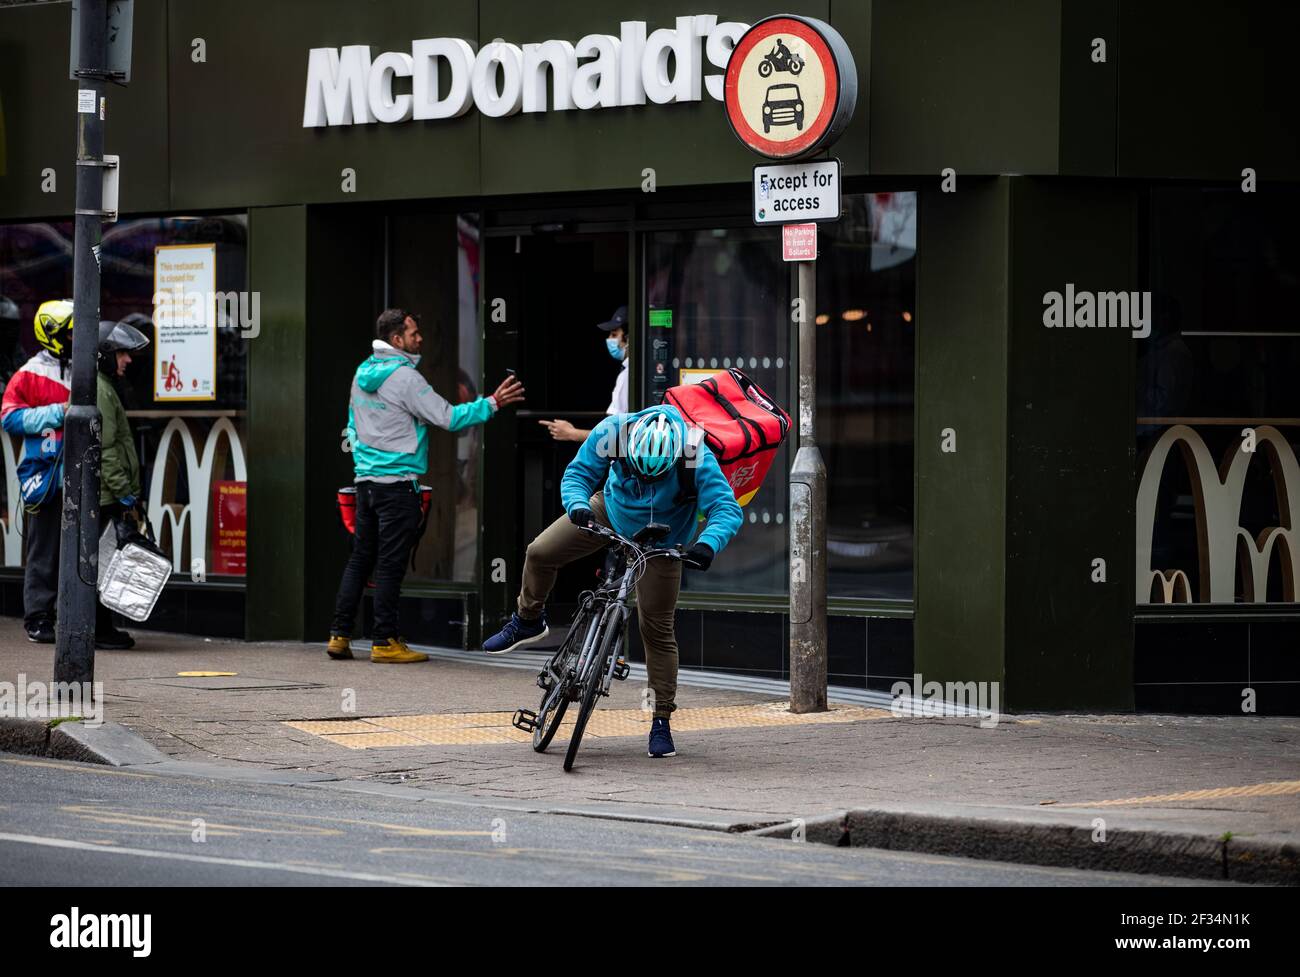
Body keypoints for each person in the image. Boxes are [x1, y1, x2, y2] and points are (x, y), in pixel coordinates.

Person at [483, 404, 742, 759]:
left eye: (656, 476)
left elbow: (725, 508)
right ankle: (527, 620)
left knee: (657, 627)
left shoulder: (694, 450)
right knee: (540, 552)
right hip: (609, 511)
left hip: (664, 540)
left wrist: (707, 545)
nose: (648, 481)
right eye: (640, 472)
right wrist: (577, 506)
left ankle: (661, 720)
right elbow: (577, 475)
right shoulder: (613, 432)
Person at [328, 308, 525, 663]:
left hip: (366, 484)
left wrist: (367, 463)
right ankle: (384, 641)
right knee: (389, 565)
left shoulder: (362, 373)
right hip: (398, 486)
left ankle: (339, 635)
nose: (420, 339)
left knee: (360, 559)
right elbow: (448, 417)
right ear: (396, 339)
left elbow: (352, 426)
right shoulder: (405, 378)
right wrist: (493, 403)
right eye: (414, 333)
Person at [1, 299, 73, 643]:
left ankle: (68, 611)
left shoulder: (85, 367)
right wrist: (56, 413)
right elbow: (10, 417)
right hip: (46, 471)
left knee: (75, 547)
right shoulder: (29, 373)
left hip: (79, 470)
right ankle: (38, 616)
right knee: (44, 545)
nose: (77, 338)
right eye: (71, 333)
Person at [95, 317, 151, 650]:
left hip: (108, 494)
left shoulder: (105, 386)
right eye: (121, 354)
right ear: (104, 354)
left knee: (104, 562)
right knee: (103, 564)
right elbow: (106, 450)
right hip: (107, 496)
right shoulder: (102, 391)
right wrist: (124, 492)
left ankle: (102, 628)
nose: (127, 359)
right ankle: (100, 630)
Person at [538, 305, 629, 443]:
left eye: (614, 334)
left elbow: (611, 436)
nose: (609, 339)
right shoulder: (629, 372)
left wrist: (572, 433)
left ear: (628, 338)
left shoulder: (627, 376)